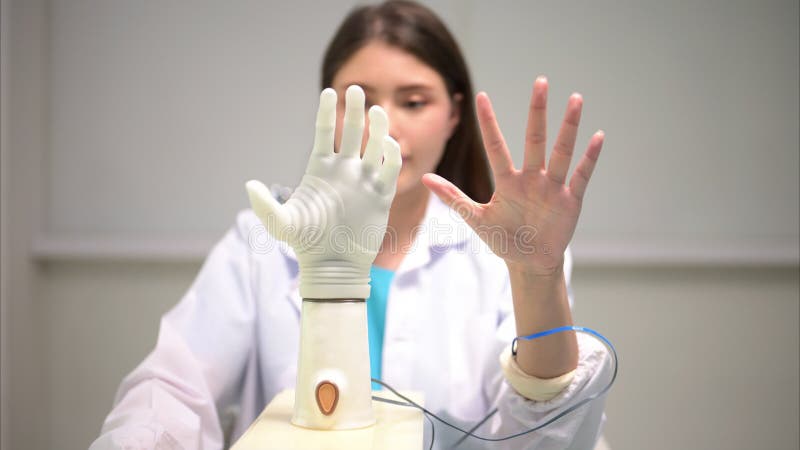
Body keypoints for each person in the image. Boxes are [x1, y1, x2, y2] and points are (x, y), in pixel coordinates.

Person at [90, 1, 611, 449]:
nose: (385, 124)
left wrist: (536, 276)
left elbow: (543, 435)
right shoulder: (263, 245)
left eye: (414, 101)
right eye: (359, 100)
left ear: (454, 114)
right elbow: (174, 389)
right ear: (327, 110)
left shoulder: (502, 253)